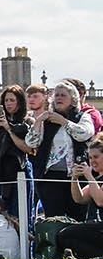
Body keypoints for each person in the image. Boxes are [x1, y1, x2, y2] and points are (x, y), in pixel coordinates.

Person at [26, 81, 96, 220]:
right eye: (56, 95)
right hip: (50, 177)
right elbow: (31, 142)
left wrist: (63, 121)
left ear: (73, 99)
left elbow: (85, 134)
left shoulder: (82, 117)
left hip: (76, 176)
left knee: (77, 216)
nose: (59, 98)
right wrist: (38, 121)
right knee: (54, 218)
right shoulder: (47, 119)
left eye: (63, 95)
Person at [0, 84, 33, 218]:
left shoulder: (27, 122)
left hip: (19, 168)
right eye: (6, 100)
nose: (8, 104)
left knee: (21, 212)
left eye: (12, 100)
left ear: (19, 102)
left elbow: (27, 148)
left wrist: (9, 129)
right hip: (0, 168)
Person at [58, 137, 103, 259]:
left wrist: (89, 175)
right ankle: (94, 258)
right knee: (65, 236)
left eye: (96, 157)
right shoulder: (97, 180)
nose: (92, 161)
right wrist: (74, 178)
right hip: (98, 226)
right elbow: (80, 198)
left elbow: (100, 201)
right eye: (90, 158)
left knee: (66, 234)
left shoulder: (94, 179)